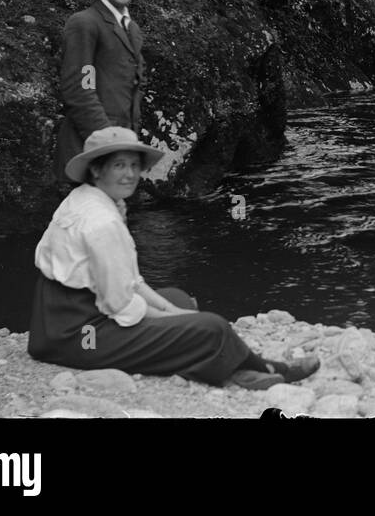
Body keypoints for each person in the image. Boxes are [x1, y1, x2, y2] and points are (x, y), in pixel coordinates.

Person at [29, 126, 318, 389]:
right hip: (79, 338)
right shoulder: (103, 222)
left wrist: (171, 309)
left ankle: (234, 371)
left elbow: (129, 280)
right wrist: (181, 318)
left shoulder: (87, 198)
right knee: (211, 326)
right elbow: (120, 305)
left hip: (55, 329)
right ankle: (265, 367)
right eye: (118, 165)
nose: (129, 174)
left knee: (178, 299)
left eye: (133, 165)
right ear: (96, 170)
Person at [53, 0, 149, 184]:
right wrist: (110, 145)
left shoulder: (132, 29)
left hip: (118, 154)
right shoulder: (85, 23)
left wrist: (127, 149)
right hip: (87, 154)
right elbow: (79, 91)